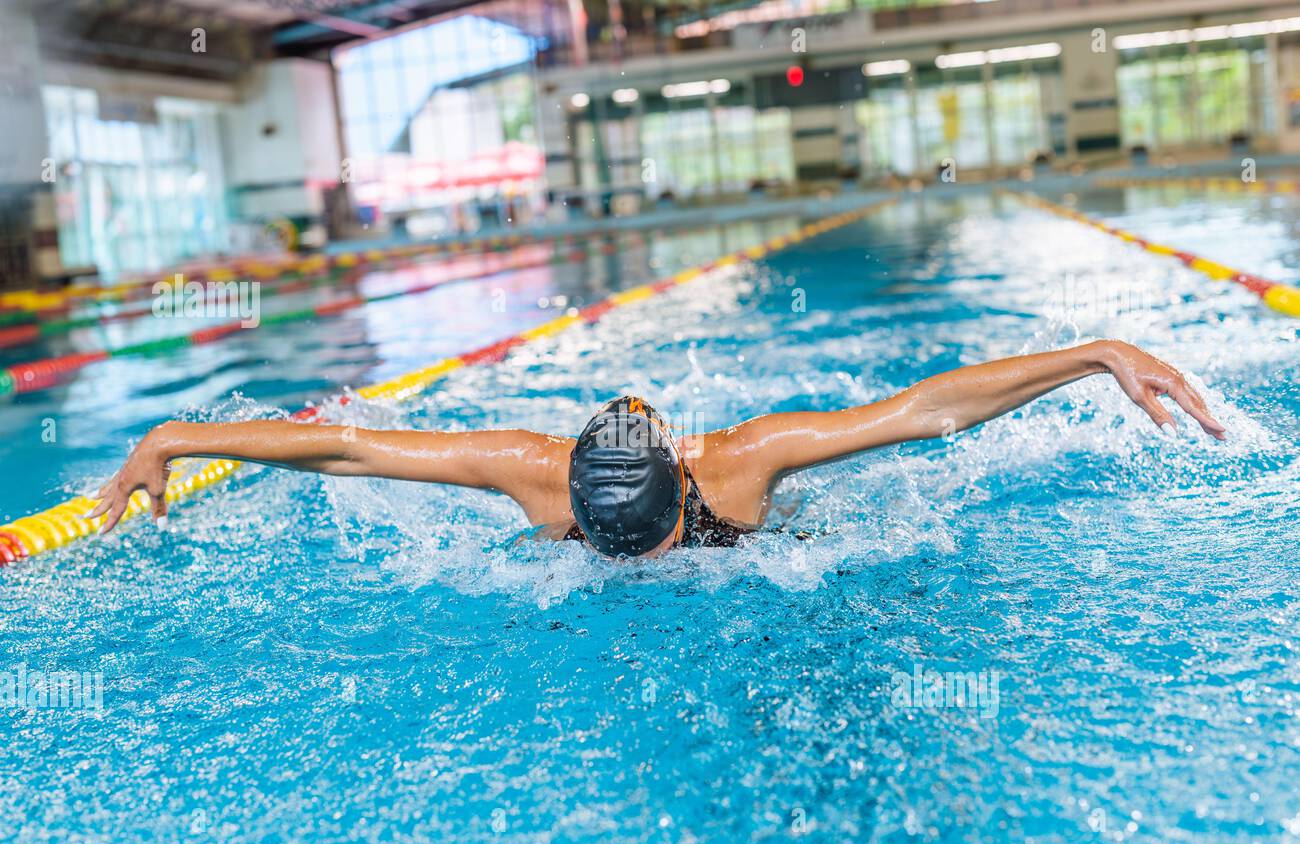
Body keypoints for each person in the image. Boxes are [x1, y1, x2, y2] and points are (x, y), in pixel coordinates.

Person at [88, 339, 1225, 557]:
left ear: (685, 480)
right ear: (575, 510)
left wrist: (1091, 351)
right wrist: (173, 433)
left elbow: (927, 412)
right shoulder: (533, 475)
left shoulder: (743, 460)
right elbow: (347, 446)